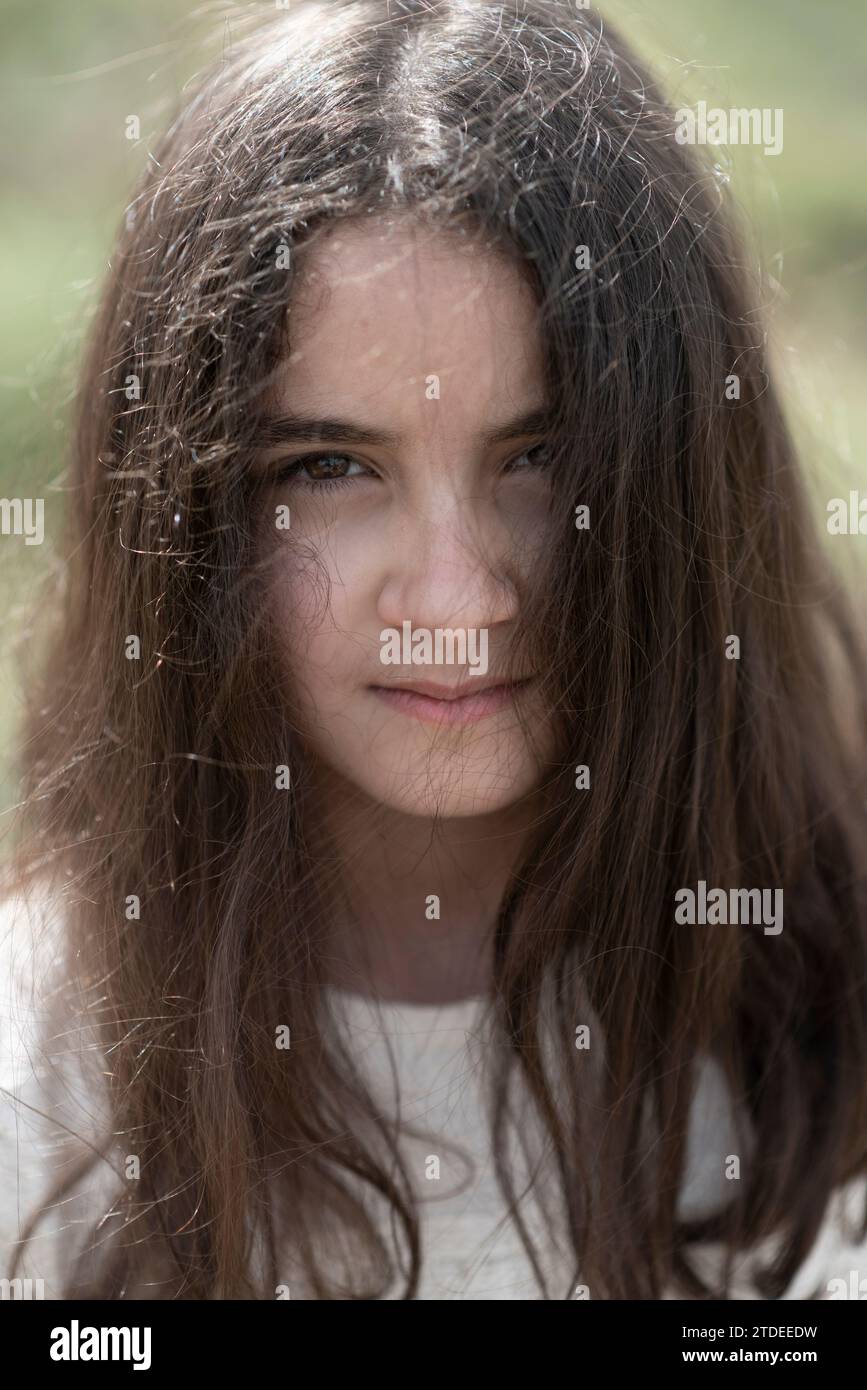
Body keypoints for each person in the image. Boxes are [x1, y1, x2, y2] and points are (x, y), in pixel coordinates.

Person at [2, 0, 867, 1301]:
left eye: (541, 458)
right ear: (190, 524)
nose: (457, 598)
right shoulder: (37, 1086)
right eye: (332, 466)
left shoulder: (821, 1006)